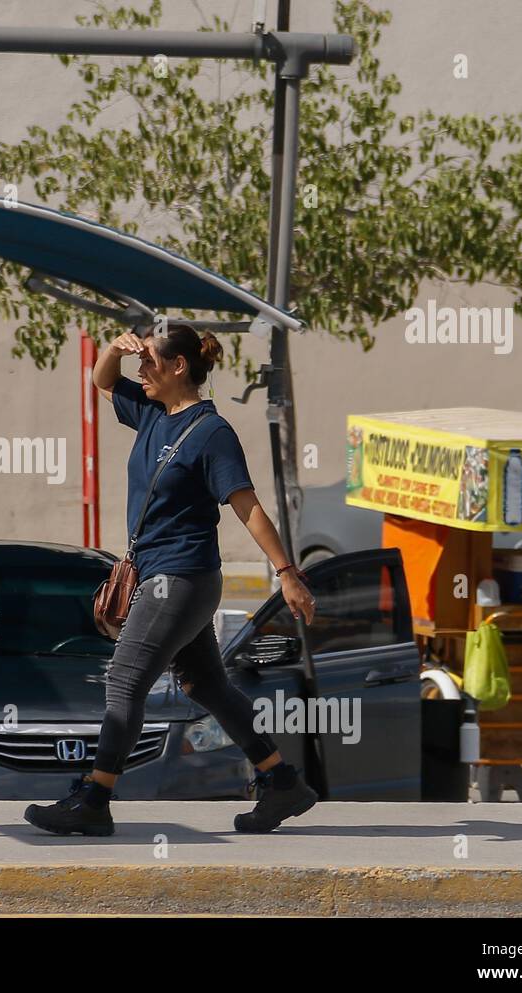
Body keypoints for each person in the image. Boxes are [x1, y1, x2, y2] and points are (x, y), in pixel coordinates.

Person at [25, 324, 318, 837]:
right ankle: (282, 782)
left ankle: (95, 798)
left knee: (124, 680)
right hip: (166, 575)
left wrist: (287, 573)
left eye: (151, 362)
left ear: (179, 366)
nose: (143, 371)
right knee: (206, 684)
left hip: (181, 577)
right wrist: (117, 347)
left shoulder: (212, 434)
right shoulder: (152, 411)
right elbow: (102, 379)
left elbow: (247, 509)